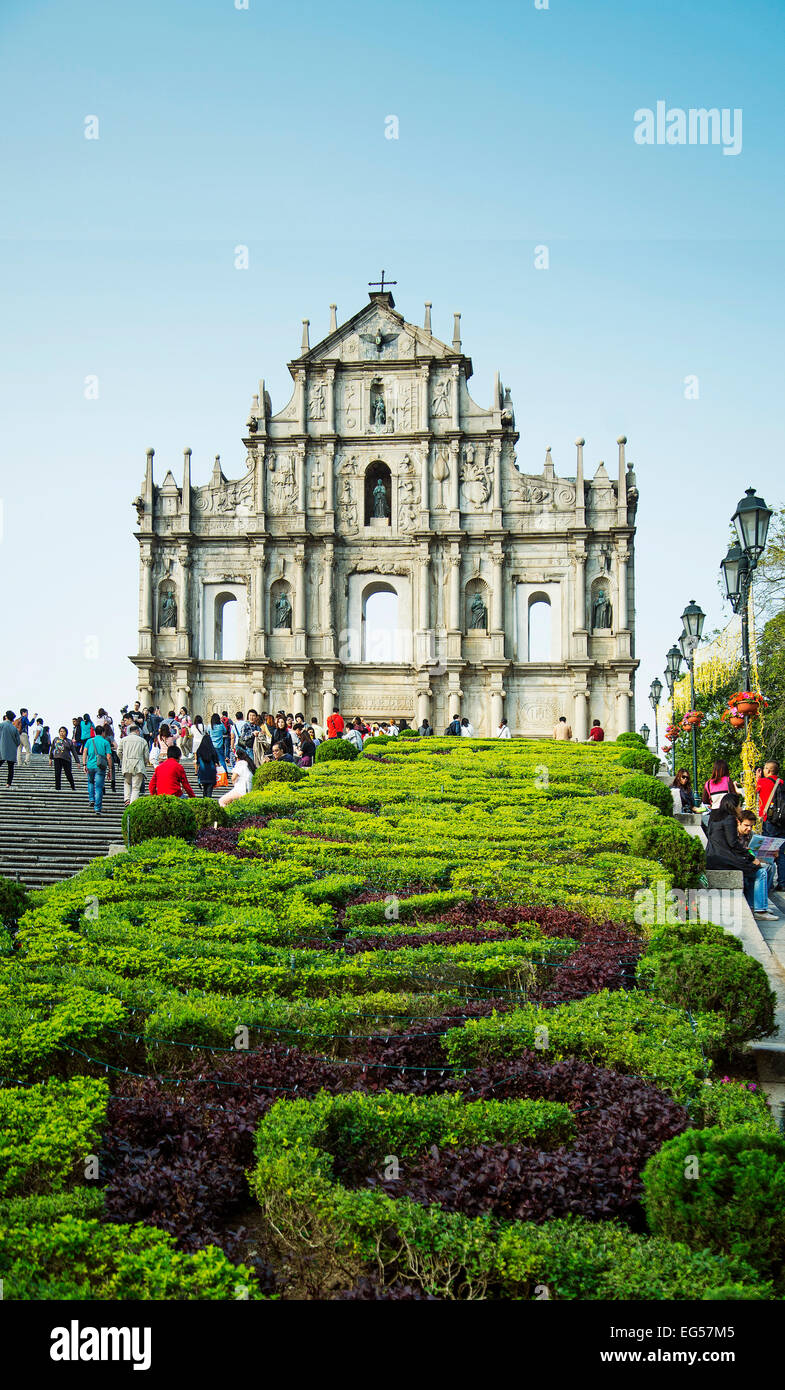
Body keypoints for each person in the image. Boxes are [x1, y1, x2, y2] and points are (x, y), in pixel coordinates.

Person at [704, 794, 774, 920]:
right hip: (724, 859)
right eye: (739, 805)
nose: (740, 808)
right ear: (733, 805)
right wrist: (751, 858)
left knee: (758, 870)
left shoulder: (714, 816)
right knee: (760, 871)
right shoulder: (730, 818)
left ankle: (757, 906)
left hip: (711, 857)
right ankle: (760, 910)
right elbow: (733, 843)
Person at [736, 808, 778, 919]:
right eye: (746, 825)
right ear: (738, 822)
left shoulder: (750, 835)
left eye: (751, 826)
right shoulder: (733, 835)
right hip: (740, 864)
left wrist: (771, 853)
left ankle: (760, 902)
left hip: (749, 862)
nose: (749, 829)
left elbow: (755, 853)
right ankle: (760, 910)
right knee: (761, 872)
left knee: (771, 867)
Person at [756, 761, 785, 890]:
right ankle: (782, 883)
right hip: (782, 822)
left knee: (767, 852)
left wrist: (758, 778)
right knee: (782, 853)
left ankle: (768, 884)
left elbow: (753, 791)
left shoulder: (763, 782)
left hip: (770, 821)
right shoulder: (782, 783)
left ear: (768, 770)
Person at [82, 722, 113, 815]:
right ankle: (97, 808)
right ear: (103, 732)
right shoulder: (105, 742)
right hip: (100, 767)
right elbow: (108, 756)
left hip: (90, 765)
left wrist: (84, 764)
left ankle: (91, 799)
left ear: (95, 732)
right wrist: (110, 769)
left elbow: (84, 752)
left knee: (90, 782)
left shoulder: (89, 741)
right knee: (99, 787)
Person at [120, 722, 151, 804]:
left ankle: (126, 799)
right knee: (136, 787)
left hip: (127, 764)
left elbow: (119, 752)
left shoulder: (124, 740)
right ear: (137, 731)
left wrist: (123, 759)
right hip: (139, 764)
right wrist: (144, 763)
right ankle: (132, 803)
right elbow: (146, 756)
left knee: (127, 782)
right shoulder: (143, 741)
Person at [194, 722, 220, 797]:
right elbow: (216, 761)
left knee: (204, 790)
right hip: (211, 774)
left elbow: (197, 762)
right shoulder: (212, 750)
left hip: (203, 773)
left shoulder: (199, 750)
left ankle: (204, 803)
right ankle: (208, 801)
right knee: (209, 791)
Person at [49, 726, 79, 791]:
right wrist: (50, 759)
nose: (62, 733)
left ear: (66, 733)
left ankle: (73, 786)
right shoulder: (55, 739)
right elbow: (52, 749)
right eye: (61, 731)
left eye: (63, 731)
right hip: (57, 758)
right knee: (57, 773)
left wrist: (77, 761)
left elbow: (74, 752)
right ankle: (57, 788)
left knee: (68, 774)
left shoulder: (69, 741)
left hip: (66, 759)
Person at [0, 711, 21, 787]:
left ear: (6, 717)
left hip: (2, 749)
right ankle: (8, 783)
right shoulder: (14, 728)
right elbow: (18, 741)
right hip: (12, 751)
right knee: (10, 768)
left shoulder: (1, 725)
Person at [207, 714, 231, 778]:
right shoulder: (220, 726)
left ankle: (211, 774)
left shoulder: (210, 726)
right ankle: (225, 773)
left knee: (212, 760)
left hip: (212, 745)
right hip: (219, 745)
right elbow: (225, 731)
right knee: (222, 760)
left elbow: (208, 732)